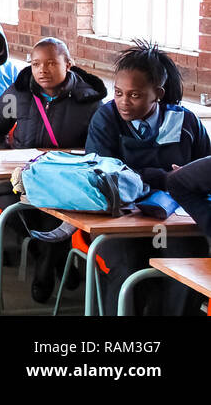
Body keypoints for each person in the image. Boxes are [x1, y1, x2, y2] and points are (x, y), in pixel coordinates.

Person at [85, 42, 210, 315]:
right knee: (130, 266)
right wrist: (166, 178)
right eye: (119, 93)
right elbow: (101, 174)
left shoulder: (185, 122)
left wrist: (188, 180)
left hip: (171, 225)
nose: (124, 102)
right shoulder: (106, 118)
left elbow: (206, 175)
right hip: (119, 222)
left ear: (158, 95)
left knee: (189, 262)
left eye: (135, 95)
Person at [0, 37, 106, 302]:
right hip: (21, 179)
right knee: (9, 208)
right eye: (36, 64)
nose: (42, 70)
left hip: (67, 181)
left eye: (51, 63)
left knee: (56, 216)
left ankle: (45, 271)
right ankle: (55, 260)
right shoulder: (19, 94)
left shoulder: (90, 101)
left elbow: (100, 150)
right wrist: (9, 161)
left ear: (69, 64)